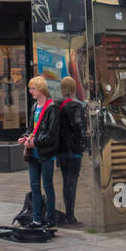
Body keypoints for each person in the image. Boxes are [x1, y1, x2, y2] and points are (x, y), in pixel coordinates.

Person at [18, 76, 61, 228]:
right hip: (33, 154)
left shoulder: (52, 108)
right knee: (34, 185)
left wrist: (34, 142)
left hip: (45, 153)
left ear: (41, 89)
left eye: (33, 88)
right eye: (30, 88)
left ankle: (50, 219)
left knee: (48, 186)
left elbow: (52, 134)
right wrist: (24, 138)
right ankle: (37, 218)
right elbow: (31, 129)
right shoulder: (34, 107)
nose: (30, 92)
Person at [56, 76, 87, 227]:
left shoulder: (57, 105)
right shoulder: (77, 106)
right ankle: (70, 215)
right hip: (74, 150)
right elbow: (80, 128)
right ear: (74, 88)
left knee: (65, 181)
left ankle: (68, 213)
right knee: (72, 182)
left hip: (61, 150)